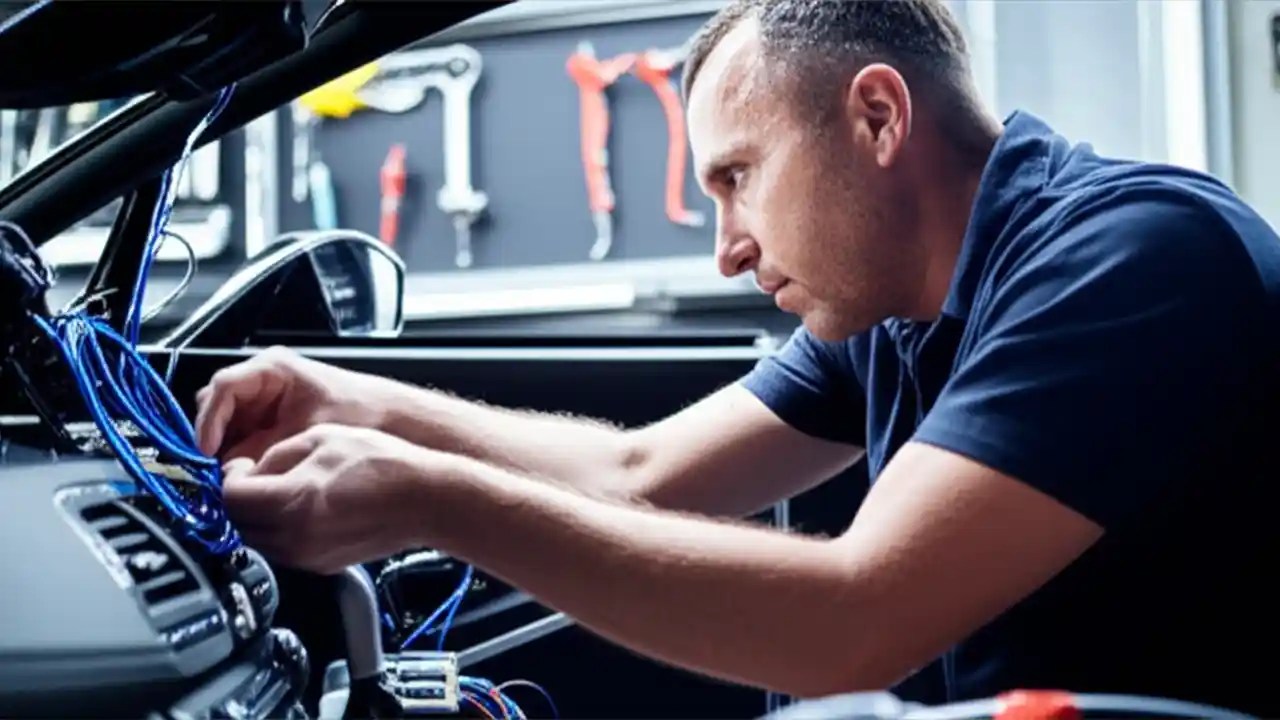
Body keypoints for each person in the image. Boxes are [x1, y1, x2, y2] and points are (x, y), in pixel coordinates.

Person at [196, 0, 1280, 713]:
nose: (727, 250)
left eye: (737, 178)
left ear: (876, 118)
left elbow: (852, 620)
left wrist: (427, 500)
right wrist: (357, 405)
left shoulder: (1132, 260)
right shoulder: (894, 310)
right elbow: (639, 475)